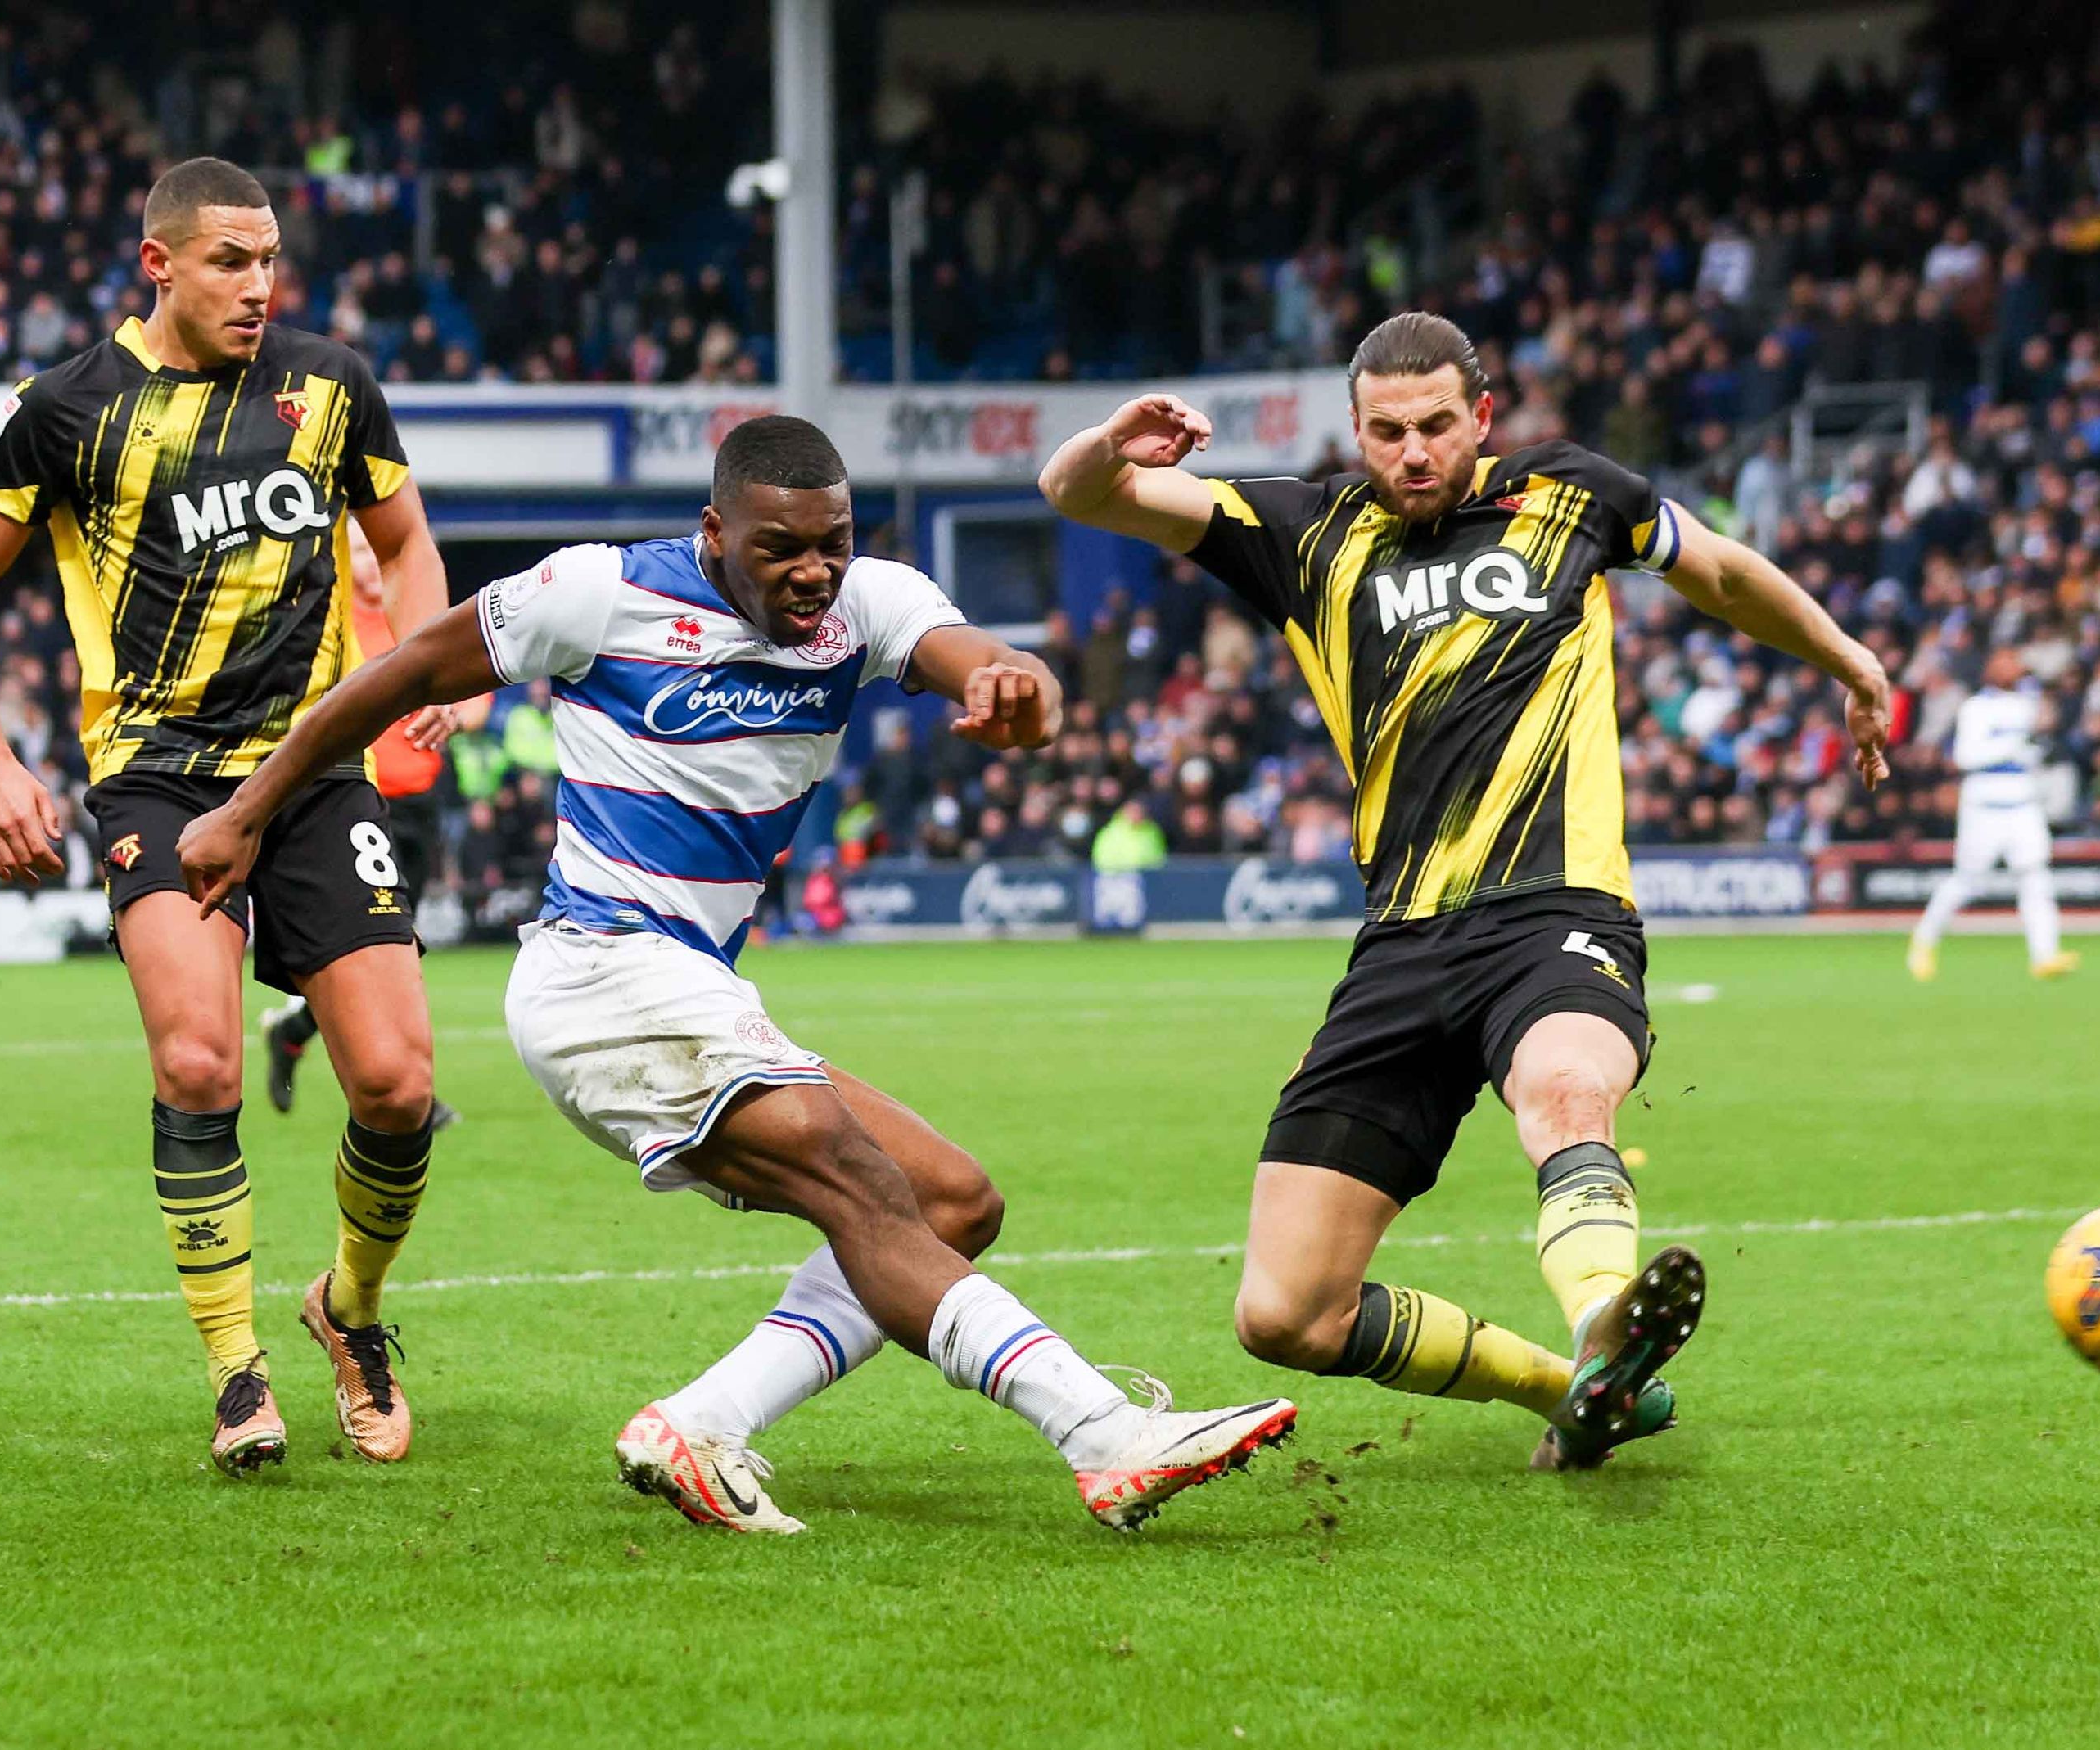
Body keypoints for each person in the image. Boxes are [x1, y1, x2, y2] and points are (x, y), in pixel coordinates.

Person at [177, 416, 1295, 1535]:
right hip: (601, 979)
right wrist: (244, 811)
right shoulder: (596, 594)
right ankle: (1105, 1434)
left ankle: (700, 1424)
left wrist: (1020, 691)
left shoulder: (868, 600)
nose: (813, 572)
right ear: (716, 530)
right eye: (781, 549)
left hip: (694, 990)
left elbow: (993, 665)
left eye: (833, 542)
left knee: (953, 1200)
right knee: (856, 1178)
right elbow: (406, 671)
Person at [1037, 310, 1895, 1469]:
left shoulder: (1575, 495)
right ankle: (1573, 1388)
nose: (1415, 451)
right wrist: (1109, 440)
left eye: (1437, 424)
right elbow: (1080, 494)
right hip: (1398, 944)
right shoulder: (1302, 530)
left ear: (1481, 418)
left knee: (1564, 1093)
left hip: (1558, 912)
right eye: (1388, 432)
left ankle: (1604, 1316)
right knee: (1284, 1313)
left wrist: (1848, 658)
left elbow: (1726, 574)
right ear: (1355, 432)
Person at [0, 158, 451, 1474]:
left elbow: (408, 541)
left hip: (319, 766)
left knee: (396, 1081)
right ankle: (234, 1372)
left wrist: (427, 662)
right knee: (201, 1062)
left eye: (270, 260)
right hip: (157, 774)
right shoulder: (66, 408)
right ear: (158, 264)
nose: (260, 285)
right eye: (230, 261)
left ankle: (351, 1309)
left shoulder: (330, 385)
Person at [261, 516, 471, 1130]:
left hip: (420, 799)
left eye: (374, 550)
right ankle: (406, 1094)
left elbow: (466, 694)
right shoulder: (331, 621)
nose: (371, 562)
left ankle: (295, 1030)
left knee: (404, 943)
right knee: (392, 942)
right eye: (356, 550)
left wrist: (452, 708)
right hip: (358, 800)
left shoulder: (418, 619)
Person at [1906, 646, 2078, 981]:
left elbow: (2038, 752)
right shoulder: (1976, 708)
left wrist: (2040, 737)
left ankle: (2045, 956)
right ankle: (1924, 939)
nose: (2014, 669)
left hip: (2024, 803)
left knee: (2035, 878)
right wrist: (2016, 744)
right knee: (1968, 881)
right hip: (1984, 806)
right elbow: (1966, 757)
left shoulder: (2028, 705)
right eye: (2006, 663)